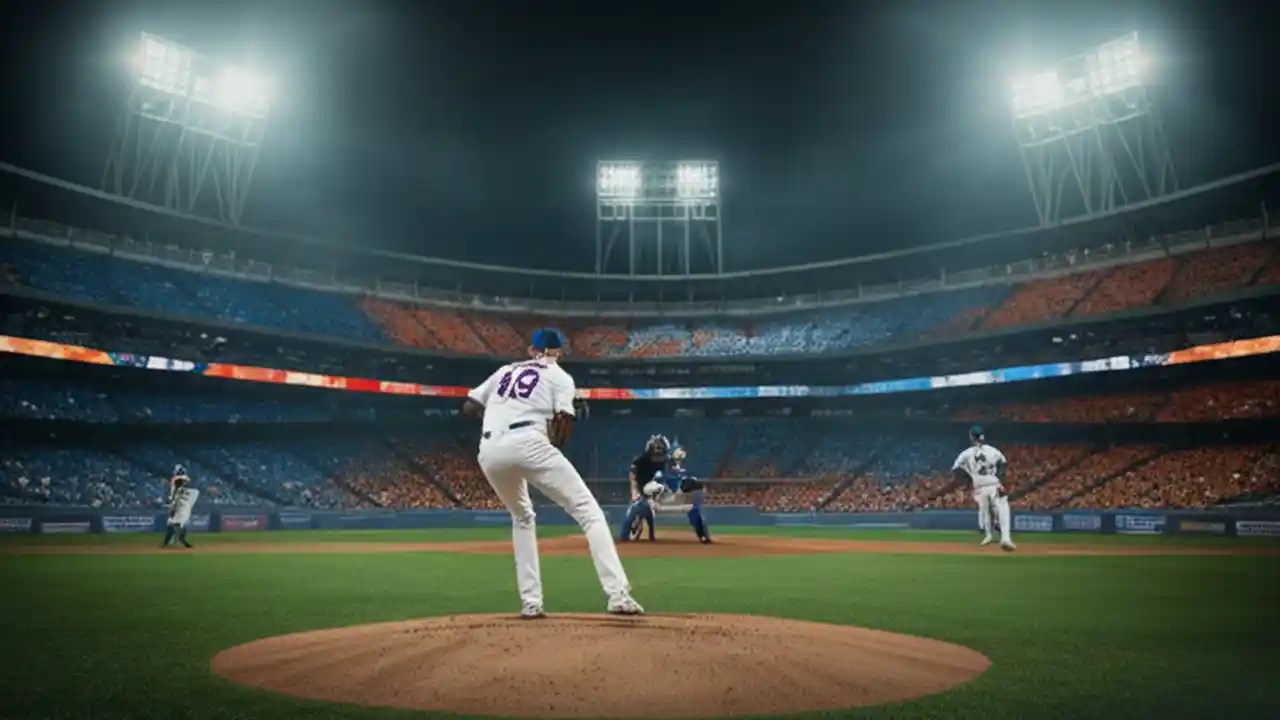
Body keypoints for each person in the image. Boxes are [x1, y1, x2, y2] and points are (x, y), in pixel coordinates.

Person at [462, 328, 643, 618]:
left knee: (522, 518)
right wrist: (560, 423)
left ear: (531, 349)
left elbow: (469, 407)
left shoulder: (505, 370)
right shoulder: (560, 376)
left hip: (490, 448)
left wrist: (502, 417)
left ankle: (531, 603)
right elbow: (562, 428)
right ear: (559, 351)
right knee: (589, 512)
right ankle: (618, 595)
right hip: (530, 442)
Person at [948, 426, 1015, 551]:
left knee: (985, 511)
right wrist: (1000, 480)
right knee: (1003, 509)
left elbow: (956, 469)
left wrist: (967, 480)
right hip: (994, 484)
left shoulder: (966, 453)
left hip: (979, 487)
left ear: (971, 437)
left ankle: (988, 535)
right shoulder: (994, 451)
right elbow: (1003, 465)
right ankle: (1005, 538)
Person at [619, 435, 670, 542]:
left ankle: (647, 532)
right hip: (640, 486)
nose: (659, 458)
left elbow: (663, 480)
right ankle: (625, 536)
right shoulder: (641, 461)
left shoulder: (664, 462)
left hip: (652, 487)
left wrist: (655, 498)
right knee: (633, 512)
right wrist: (634, 492)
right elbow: (632, 476)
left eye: (661, 455)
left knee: (649, 512)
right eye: (656, 455)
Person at [656, 446, 712, 543]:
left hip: (692, 490)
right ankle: (704, 536)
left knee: (694, 513)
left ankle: (704, 536)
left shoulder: (678, 472)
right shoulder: (666, 472)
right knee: (694, 514)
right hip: (689, 491)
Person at [161, 465, 199, 549]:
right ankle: (172, 541)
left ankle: (179, 540)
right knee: (173, 524)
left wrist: (171, 506)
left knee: (176, 524)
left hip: (183, 506)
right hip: (181, 506)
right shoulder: (179, 485)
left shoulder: (180, 485)